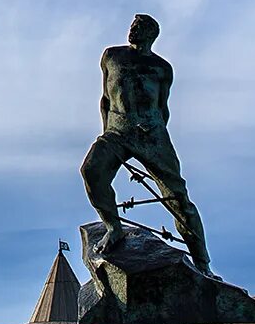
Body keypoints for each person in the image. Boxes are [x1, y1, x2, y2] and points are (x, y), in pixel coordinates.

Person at [80, 14, 214, 276]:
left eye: (139, 27)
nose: (133, 30)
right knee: (92, 170)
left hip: (152, 135)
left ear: (151, 34)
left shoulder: (162, 69)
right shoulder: (111, 56)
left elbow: (162, 108)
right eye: (132, 25)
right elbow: (105, 99)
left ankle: (202, 263)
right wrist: (109, 130)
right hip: (117, 131)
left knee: (178, 200)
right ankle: (113, 227)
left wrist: (153, 133)